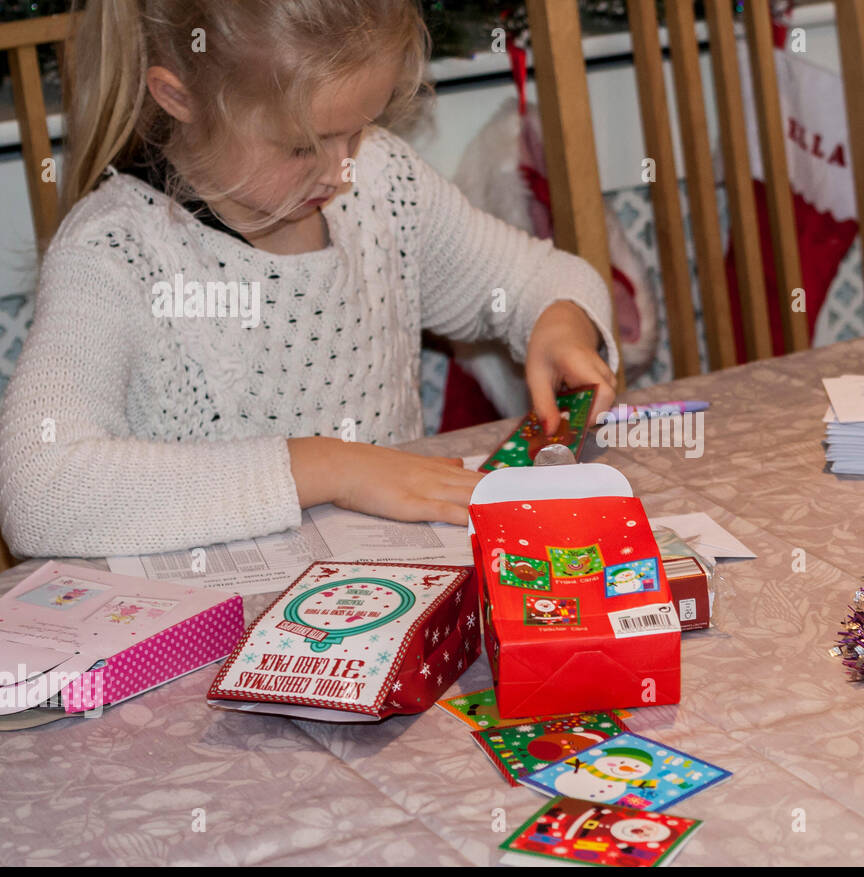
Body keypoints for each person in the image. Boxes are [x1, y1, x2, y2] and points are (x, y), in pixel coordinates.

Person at [0, 0, 618, 559]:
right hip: (213, 644)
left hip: (397, 598)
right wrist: (330, 469)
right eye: (303, 146)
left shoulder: (383, 184)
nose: (342, 168)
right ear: (178, 95)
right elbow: (37, 491)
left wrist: (561, 321)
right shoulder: (115, 253)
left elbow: (539, 275)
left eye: (360, 127)